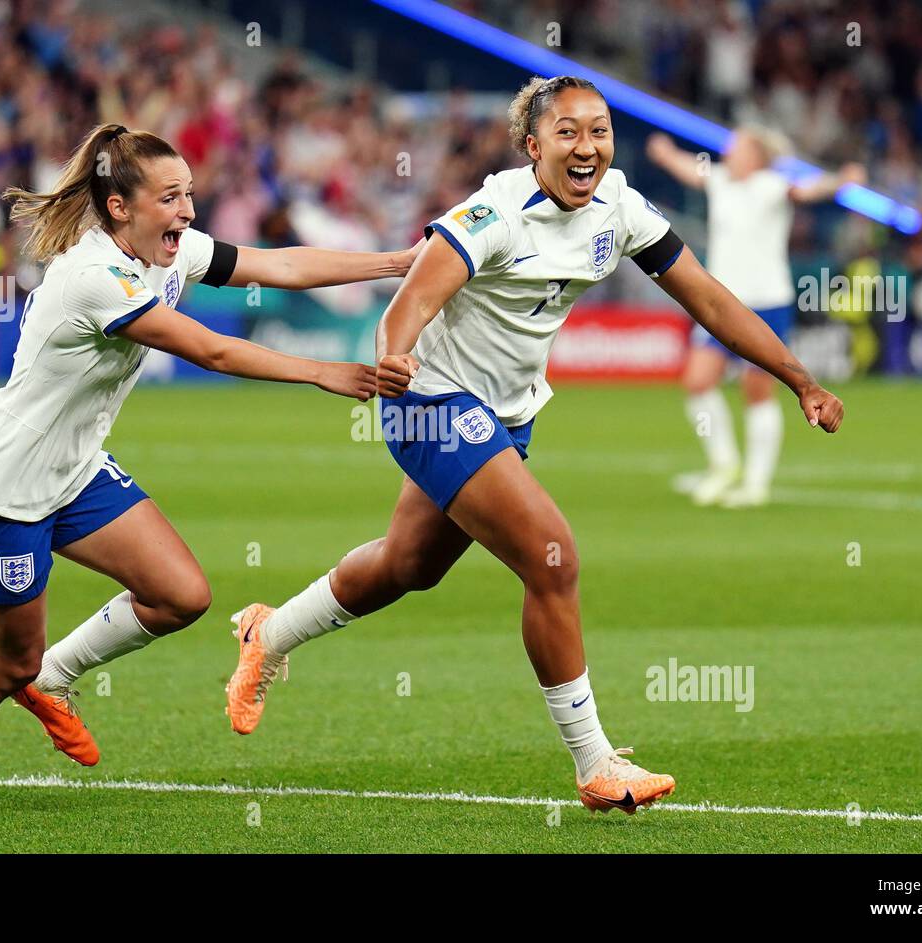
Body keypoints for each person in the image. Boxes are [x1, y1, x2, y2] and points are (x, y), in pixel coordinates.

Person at [226, 77, 844, 815]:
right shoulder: (492, 213)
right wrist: (394, 353)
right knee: (553, 553)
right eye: (569, 133)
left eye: (600, 131)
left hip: (508, 413)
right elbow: (412, 300)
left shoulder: (621, 206)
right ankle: (594, 762)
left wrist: (799, 378)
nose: (588, 147)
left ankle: (270, 631)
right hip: (430, 402)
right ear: (533, 146)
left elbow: (708, 299)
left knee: (408, 565)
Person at [0, 124, 418, 814]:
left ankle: (58, 677)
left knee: (180, 593)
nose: (188, 211)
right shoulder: (94, 276)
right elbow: (211, 351)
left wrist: (396, 262)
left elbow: (279, 266)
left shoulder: (172, 251)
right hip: (2, 489)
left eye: (189, 194)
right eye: (170, 197)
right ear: (120, 207)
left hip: (73, 473)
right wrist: (324, 372)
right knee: (8, 663)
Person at [647, 127, 864, 506]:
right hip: (719, 304)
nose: (730, 154)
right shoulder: (719, 180)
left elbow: (807, 190)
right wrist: (666, 155)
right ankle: (724, 465)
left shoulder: (770, 185)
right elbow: (690, 169)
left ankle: (756, 482)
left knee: (756, 390)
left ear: (758, 157)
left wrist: (841, 182)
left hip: (766, 302)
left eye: (739, 149)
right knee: (698, 382)